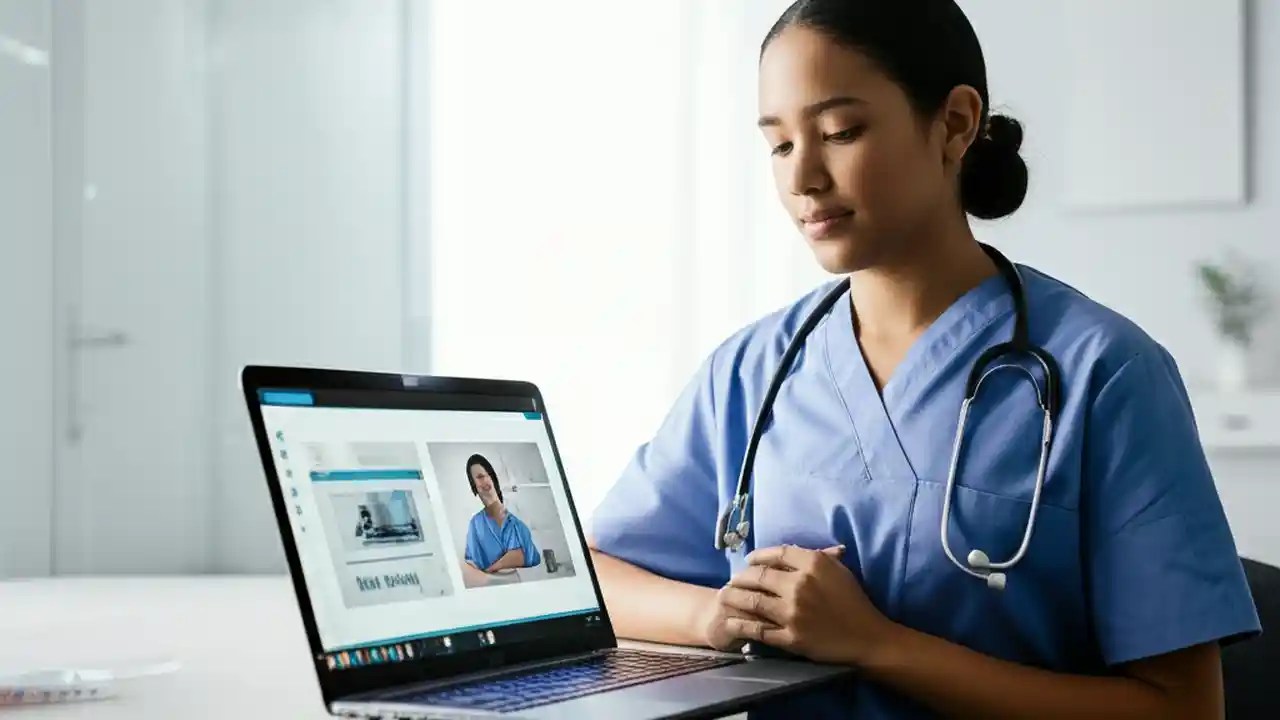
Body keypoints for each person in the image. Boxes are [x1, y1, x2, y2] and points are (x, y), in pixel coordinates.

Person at [587, 1, 1261, 718]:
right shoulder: (753, 371)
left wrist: (876, 645)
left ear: (956, 123)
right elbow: (596, 580)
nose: (803, 177)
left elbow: (1184, 709)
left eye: (840, 132)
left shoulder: (1104, 373)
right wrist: (719, 614)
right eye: (780, 145)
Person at [462, 453, 542, 582]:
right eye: (480, 477)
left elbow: (523, 555)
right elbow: (471, 563)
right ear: (473, 485)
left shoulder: (515, 517)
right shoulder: (476, 523)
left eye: (488, 475)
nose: (485, 480)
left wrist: (491, 569)